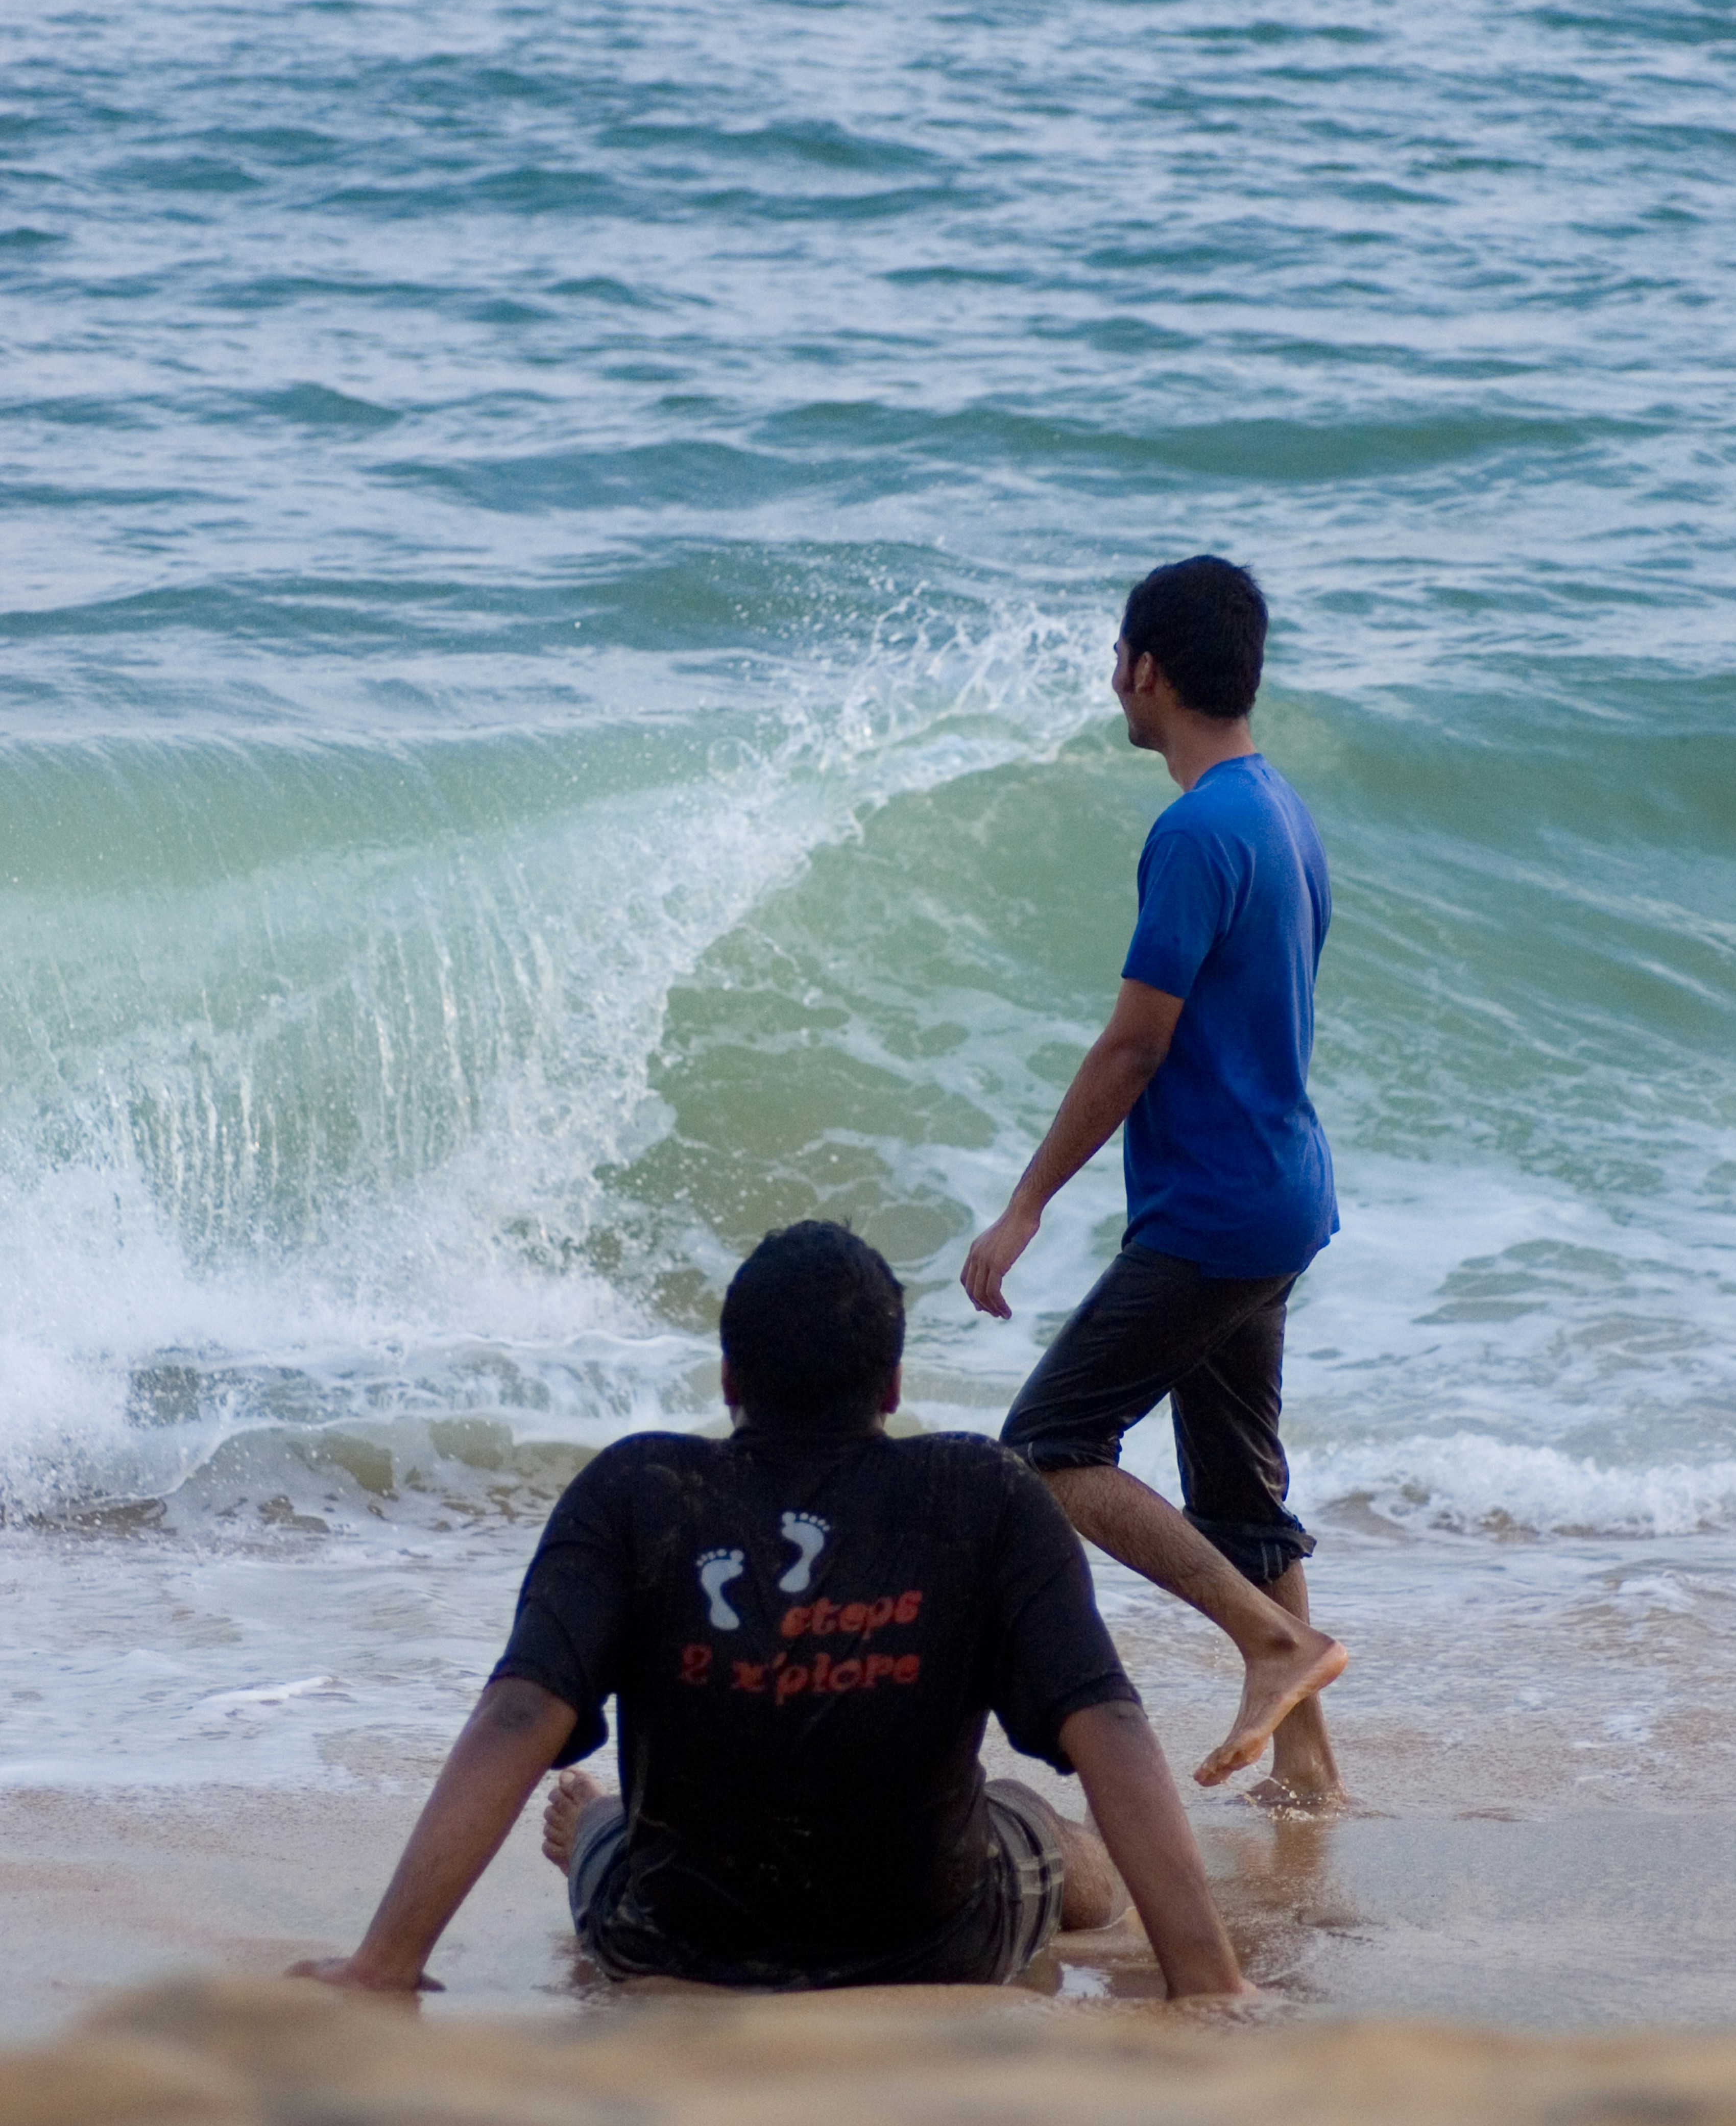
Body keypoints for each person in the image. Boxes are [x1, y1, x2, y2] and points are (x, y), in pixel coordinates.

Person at [293, 1223, 1251, 2000]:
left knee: (608, 1834)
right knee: (1037, 1815)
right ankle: (609, 1823)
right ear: (891, 1387)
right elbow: (1107, 1718)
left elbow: (517, 1713)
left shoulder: (635, 1488)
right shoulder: (982, 1492)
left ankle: (599, 1826)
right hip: (942, 1941)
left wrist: (382, 1964)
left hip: (666, 1941)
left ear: (729, 1381)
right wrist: (1209, 1983)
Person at [961, 555, 1347, 1808]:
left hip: (1216, 1211)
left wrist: (1023, 1207)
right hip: (1283, 1192)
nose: (1109, 679)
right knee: (1239, 1487)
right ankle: (1309, 1774)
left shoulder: (1192, 833)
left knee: (1047, 1443)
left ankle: (1269, 1642)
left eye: (1116, 657)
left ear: (1149, 669)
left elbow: (1135, 1043)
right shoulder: (1277, 808)